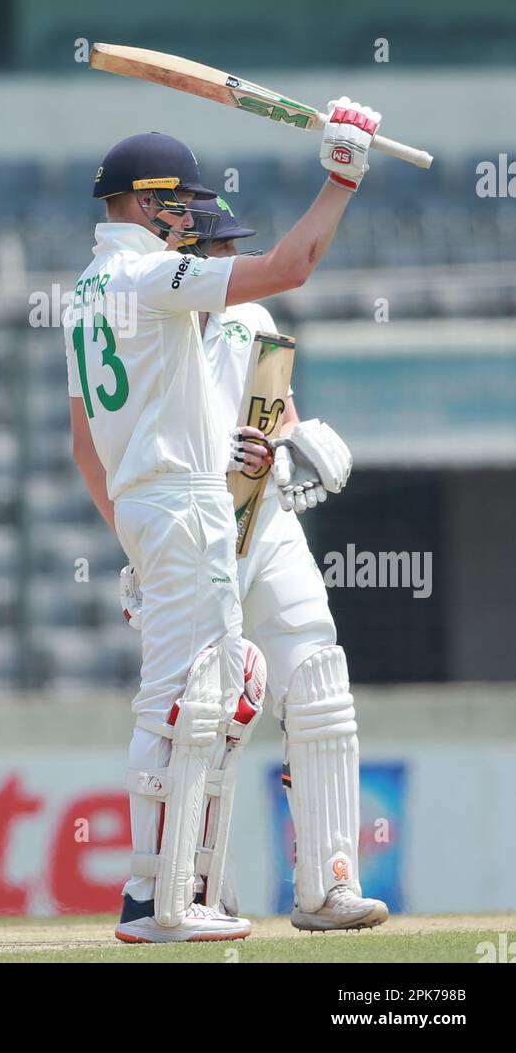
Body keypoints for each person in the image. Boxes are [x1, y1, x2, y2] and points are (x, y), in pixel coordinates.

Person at [65, 98, 382, 943]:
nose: (207, 242)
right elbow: (292, 263)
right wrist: (343, 176)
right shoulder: (153, 284)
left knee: (308, 682)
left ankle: (326, 883)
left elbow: (273, 415)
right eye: (193, 225)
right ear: (149, 210)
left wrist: (279, 449)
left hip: (242, 520)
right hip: (189, 516)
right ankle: (169, 897)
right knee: (196, 704)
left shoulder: (119, 295)